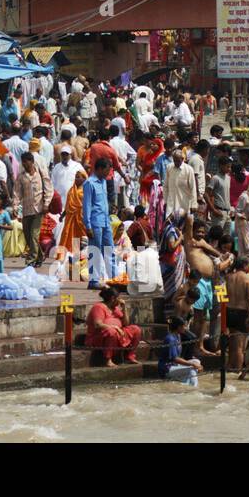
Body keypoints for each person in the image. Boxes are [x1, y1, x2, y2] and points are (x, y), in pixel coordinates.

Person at [86, 287, 142, 366]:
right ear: (113, 298)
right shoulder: (98, 307)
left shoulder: (115, 308)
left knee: (136, 329)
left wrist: (124, 308)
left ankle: (130, 356)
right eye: (118, 298)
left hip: (118, 335)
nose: (120, 300)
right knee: (111, 332)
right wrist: (115, 327)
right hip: (99, 337)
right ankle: (108, 359)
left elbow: (126, 323)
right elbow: (97, 324)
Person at [83, 157, 115, 288]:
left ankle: (115, 278)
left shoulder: (103, 182)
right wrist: (88, 225)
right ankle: (94, 280)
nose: (108, 174)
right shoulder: (89, 183)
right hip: (95, 222)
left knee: (110, 250)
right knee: (95, 251)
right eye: (107, 171)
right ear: (100, 169)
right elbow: (87, 205)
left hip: (106, 221)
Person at [159, 315, 201, 385]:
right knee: (192, 368)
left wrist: (195, 364)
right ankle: (194, 388)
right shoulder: (170, 339)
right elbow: (175, 359)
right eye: (184, 326)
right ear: (178, 327)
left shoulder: (178, 336)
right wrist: (193, 364)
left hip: (175, 365)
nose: (185, 328)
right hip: (167, 369)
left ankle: (186, 383)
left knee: (197, 361)